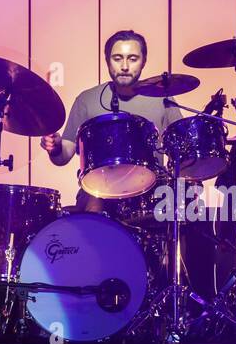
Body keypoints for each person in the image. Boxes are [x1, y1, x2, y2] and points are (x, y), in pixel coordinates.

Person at [38, 29, 184, 211]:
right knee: (92, 206)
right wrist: (56, 147)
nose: (124, 66)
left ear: (143, 61)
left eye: (132, 58)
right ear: (107, 60)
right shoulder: (87, 99)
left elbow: (182, 149)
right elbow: (63, 156)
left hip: (150, 196)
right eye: (117, 58)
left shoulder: (163, 99)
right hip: (98, 193)